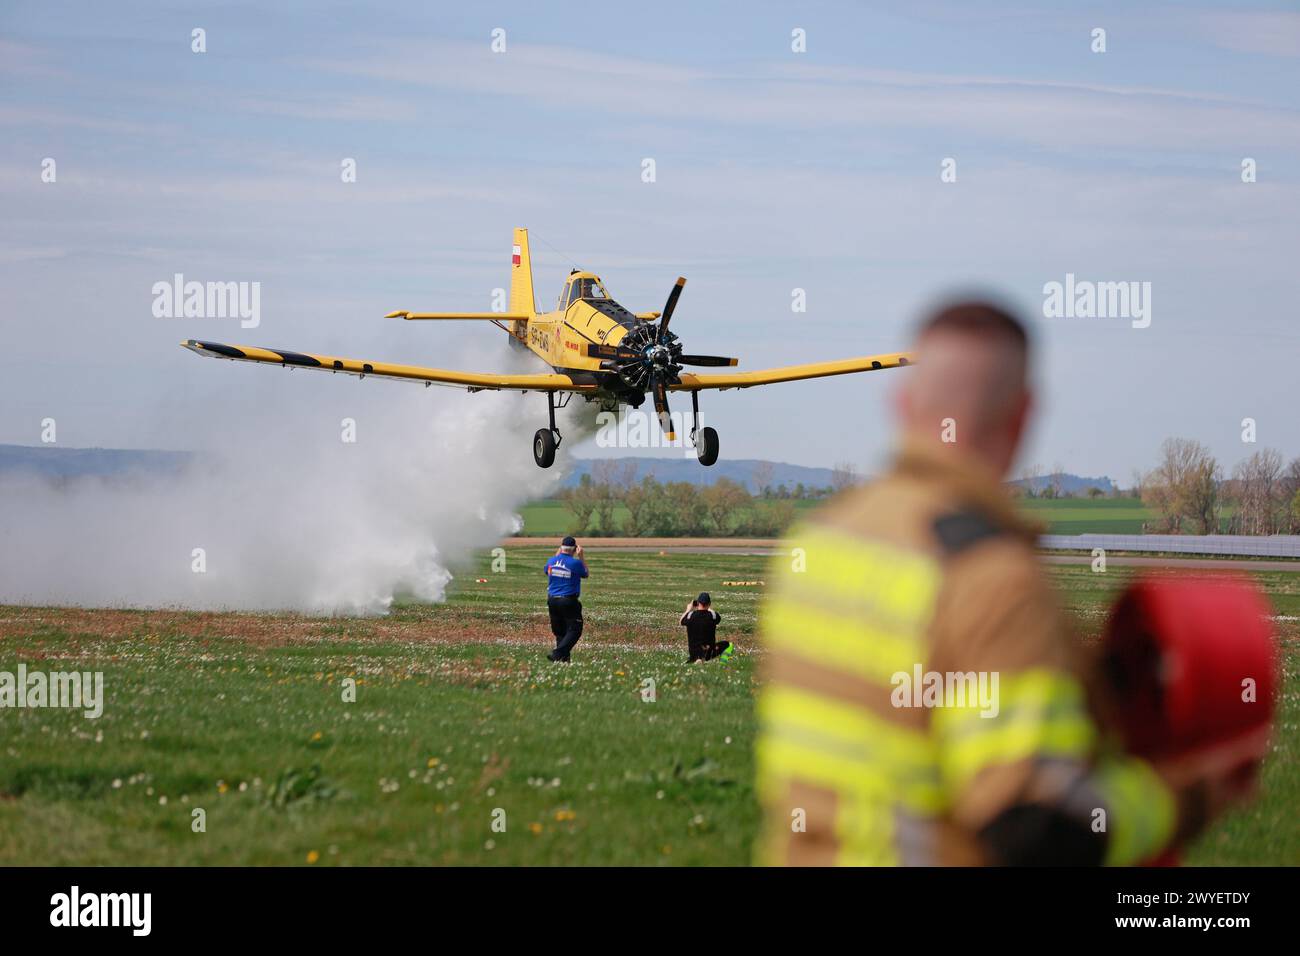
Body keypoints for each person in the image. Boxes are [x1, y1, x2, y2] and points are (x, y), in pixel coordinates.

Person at [755, 300, 1267, 866]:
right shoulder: (989, 576)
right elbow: (1034, 830)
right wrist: (1184, 800)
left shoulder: (817, 542)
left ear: (901, 404)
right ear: (1023, 416)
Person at [544, 536, 588, 662]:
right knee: (575, 630)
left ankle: (563, 661)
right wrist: (581, 557)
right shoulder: (575, 563)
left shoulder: (551, 561)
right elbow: (586, 573)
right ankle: (558, 654)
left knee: (560, 632)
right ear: (574, 549)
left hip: (552, 600)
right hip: (568, 601)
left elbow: (547, 570)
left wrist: (558, 555)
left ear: (561, 548)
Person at [680, 592, 733, 663]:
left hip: (693, 653)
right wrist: (708, 607)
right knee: (728, 645)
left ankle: (697, 659)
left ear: (698, 603)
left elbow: (681, 622)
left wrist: (688, 609)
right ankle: (723, 663)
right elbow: (716, 616)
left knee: (695, 654)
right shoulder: (713, 616)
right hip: (708, 653)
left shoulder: (690, 615)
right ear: (709, 604)